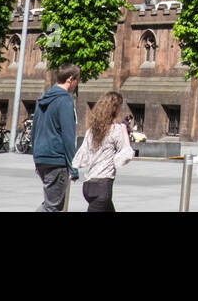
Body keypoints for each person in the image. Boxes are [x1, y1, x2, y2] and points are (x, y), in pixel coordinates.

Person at [75, 92, 134, 212]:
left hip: (88, 185)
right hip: (103, 186)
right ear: (115, 109)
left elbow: (83, 153)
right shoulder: (115, 129)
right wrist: (124, 132)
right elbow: (126, 153)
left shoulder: (91, 130)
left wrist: (74, 167)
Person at [32, 64, 81, 212]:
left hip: (41, 158)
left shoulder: (43, 98)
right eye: (77, 80)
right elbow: (68, 136)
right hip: (56, 160)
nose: (77, 84)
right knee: (53, 207)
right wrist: (73, 167)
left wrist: (36, 158)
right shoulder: (65, 100)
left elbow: (34, 130)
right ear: (70, 79)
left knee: (51, 203)